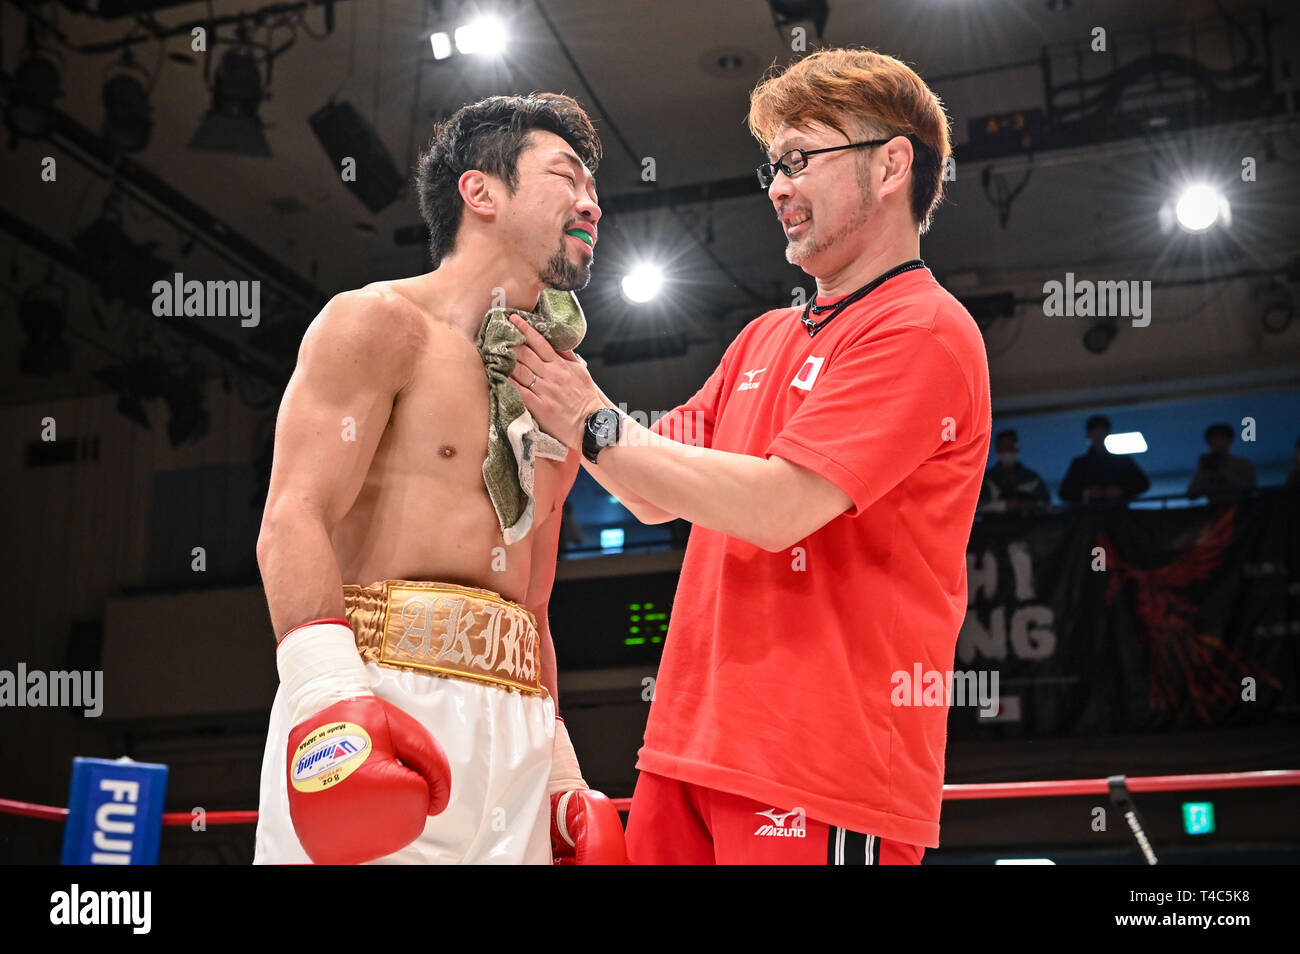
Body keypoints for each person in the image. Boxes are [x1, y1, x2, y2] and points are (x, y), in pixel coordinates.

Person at [509, 48, 990, 863]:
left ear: (891, 165)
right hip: (682, 752)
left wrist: (589, 416)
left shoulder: (926, 329)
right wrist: (543, 383)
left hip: (821, 768)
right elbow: (652, 489)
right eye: (772, 166)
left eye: (801, 159)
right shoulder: (764, 336)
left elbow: (780, 509)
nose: (778, 187)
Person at [252, 93, 622, 864]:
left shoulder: (563, 391)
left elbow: (536, 603)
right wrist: (328, 702)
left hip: (517, 733)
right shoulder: (377, 324)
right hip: (379, 700)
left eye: (596, 188)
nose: (591, 203)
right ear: (480, 192)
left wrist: (559, 773)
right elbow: (292, 519)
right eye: (566, 176)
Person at [1058, 414, 1150, 504]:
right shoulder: (1079, 464)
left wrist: (1120, 490)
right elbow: (1065, 493)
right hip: (1090, 515)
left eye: (1101, 431)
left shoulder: (1122, 461)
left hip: (1119, 514)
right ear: (1088, 434)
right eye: (1095, 431)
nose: (1098, 436)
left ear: (1107, 433)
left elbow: (1143, 484)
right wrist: (1087, 493)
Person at [978, 429, 1051, 513]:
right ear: (998, 449)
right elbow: (978, 507)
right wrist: (1005, 505)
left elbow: (1046, 503)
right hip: (996, 524)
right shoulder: (987, 479)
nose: (1008, 450)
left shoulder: (1032, 478)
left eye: (1011, 446)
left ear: (1017, 447)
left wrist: (1029, 504)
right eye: (1004, 446)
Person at [1186, 423, 1257, 501]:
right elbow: (1192, 494)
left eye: (1221, 438)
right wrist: (1202, 470)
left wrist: (1223, 472)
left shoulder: (1243, 464)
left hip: (1241, 508)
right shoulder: (1206, 467)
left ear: (1229, 440)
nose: (1217, 442)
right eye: (1213, 439)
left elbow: (1250, 489)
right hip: (1216, 509)